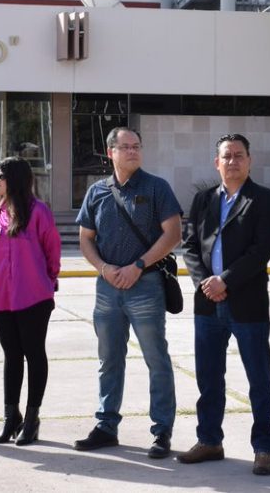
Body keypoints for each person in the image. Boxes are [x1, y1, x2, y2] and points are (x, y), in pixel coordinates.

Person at [74, 127, 182, 459]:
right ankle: (106, 426)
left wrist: (138, 265)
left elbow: (173, 234)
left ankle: (161, 431)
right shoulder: (97, 192)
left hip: (146, 284)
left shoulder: (156, 187)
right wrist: (104, 269)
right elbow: (85, 239)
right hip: (107, 288)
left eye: (137, 146)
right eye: (126, 147)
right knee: (109, 360)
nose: (133, 151)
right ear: (111, 153)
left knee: (156, 359)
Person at [178, 134, 270, 476]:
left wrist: (226, 280)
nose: (233, 161)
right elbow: (190, 246)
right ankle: (209, 440)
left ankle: (264, 447)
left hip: (246, 302)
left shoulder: (265, 199)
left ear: (249, 161)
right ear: (216, 162)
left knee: (259, 379)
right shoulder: (203, 199)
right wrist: (205, 284)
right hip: (208, 304)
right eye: (227, 156)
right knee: (209, 378)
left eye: (239, 156)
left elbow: (261, 250)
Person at [0, 157, 61, 446]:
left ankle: (31, 420)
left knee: (34, 353)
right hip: (0, 298)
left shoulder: (39, 212)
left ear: (15, 179)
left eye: (0, 176)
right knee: (11, 356)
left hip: (33, 297)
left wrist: (48, 281)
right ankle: (11, 417)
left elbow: (52, 250)